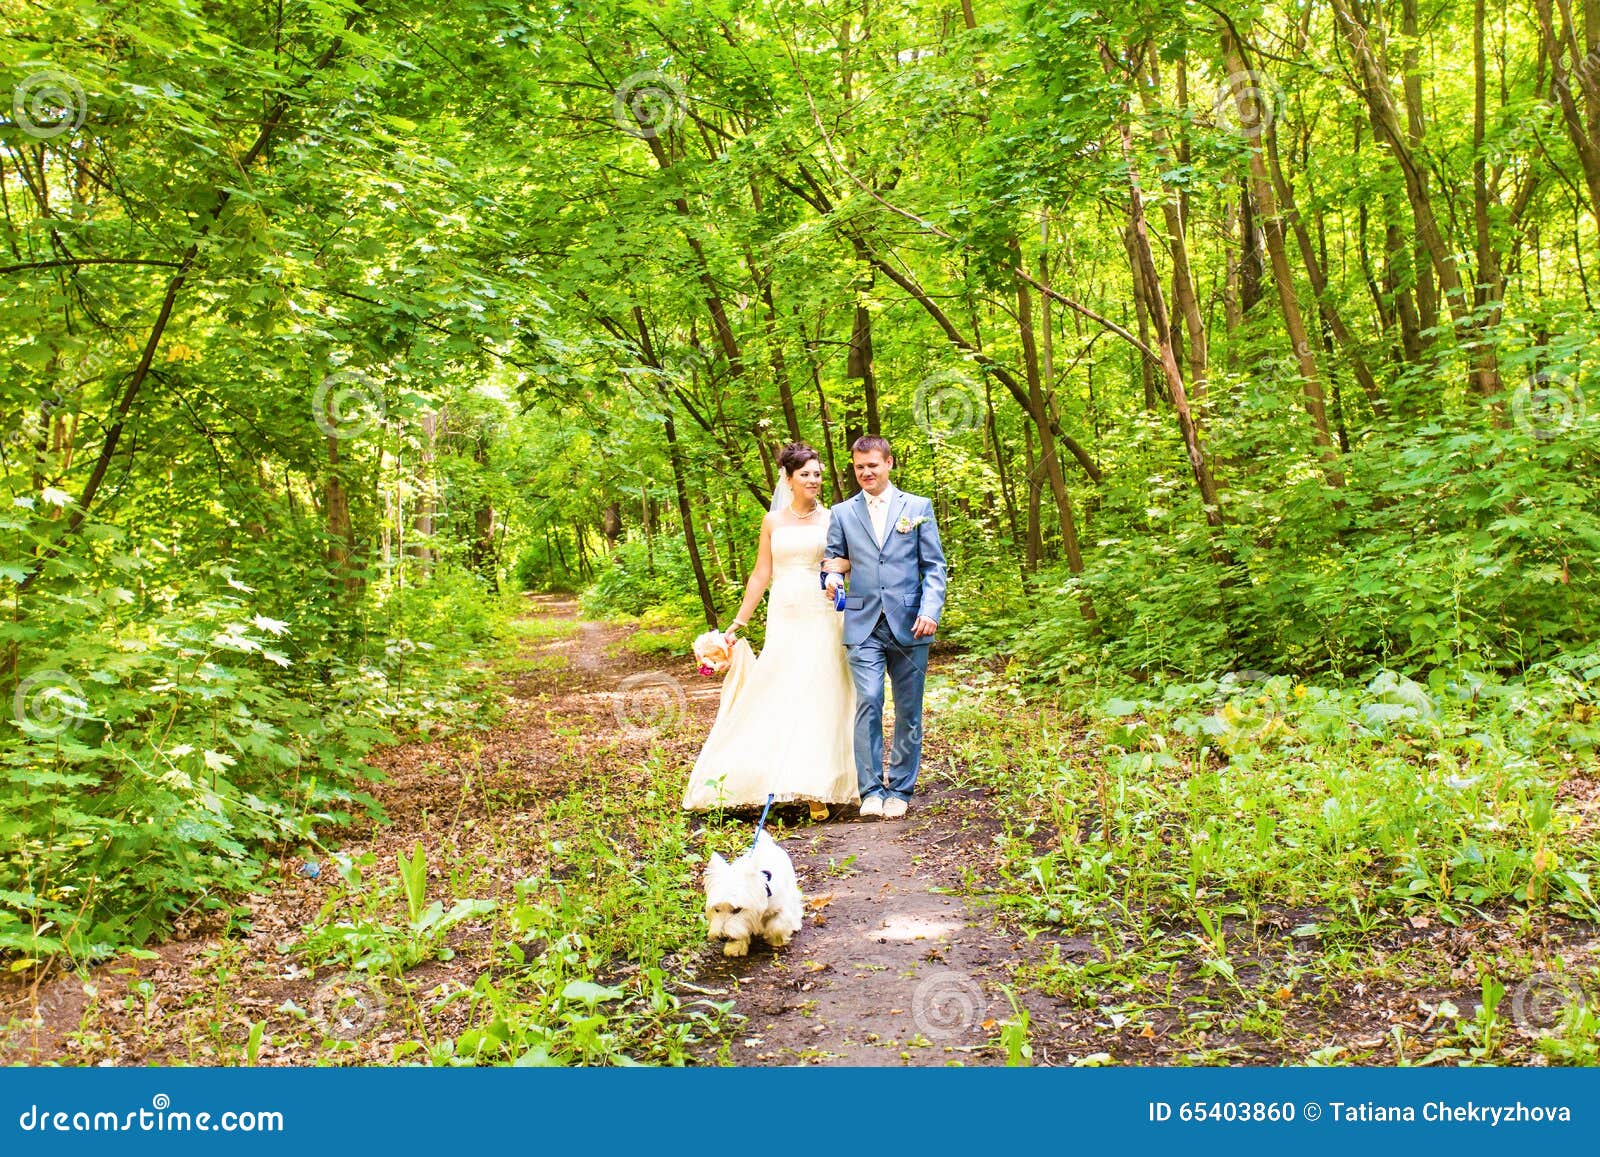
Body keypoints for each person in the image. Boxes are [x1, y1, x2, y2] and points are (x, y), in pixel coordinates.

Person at [681, 443, 858, 821]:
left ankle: (818, 785)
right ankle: (774, 774)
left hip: (823, 612)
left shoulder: (833, 518)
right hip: (785, 613)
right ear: (789, 479)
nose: (814, 480)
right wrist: (738, 622)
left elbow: (849, 560)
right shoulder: (772, 522)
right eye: (806, 474)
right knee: (783, 689)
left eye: (818, 474)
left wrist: (835, 572)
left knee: (824, 691)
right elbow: (762, 573)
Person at [823, 436, 946, 820]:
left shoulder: (918, 507)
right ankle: (872, 789)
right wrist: (831, 581)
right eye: (859, 467)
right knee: (870, 700)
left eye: (873, 465)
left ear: (889, 463)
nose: (866, 473)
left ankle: (902, 789)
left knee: (909, 710)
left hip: (912, 623)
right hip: (862, 623)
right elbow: (832, 561)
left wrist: (931, 610)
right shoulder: (842, 512)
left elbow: (934, 567)